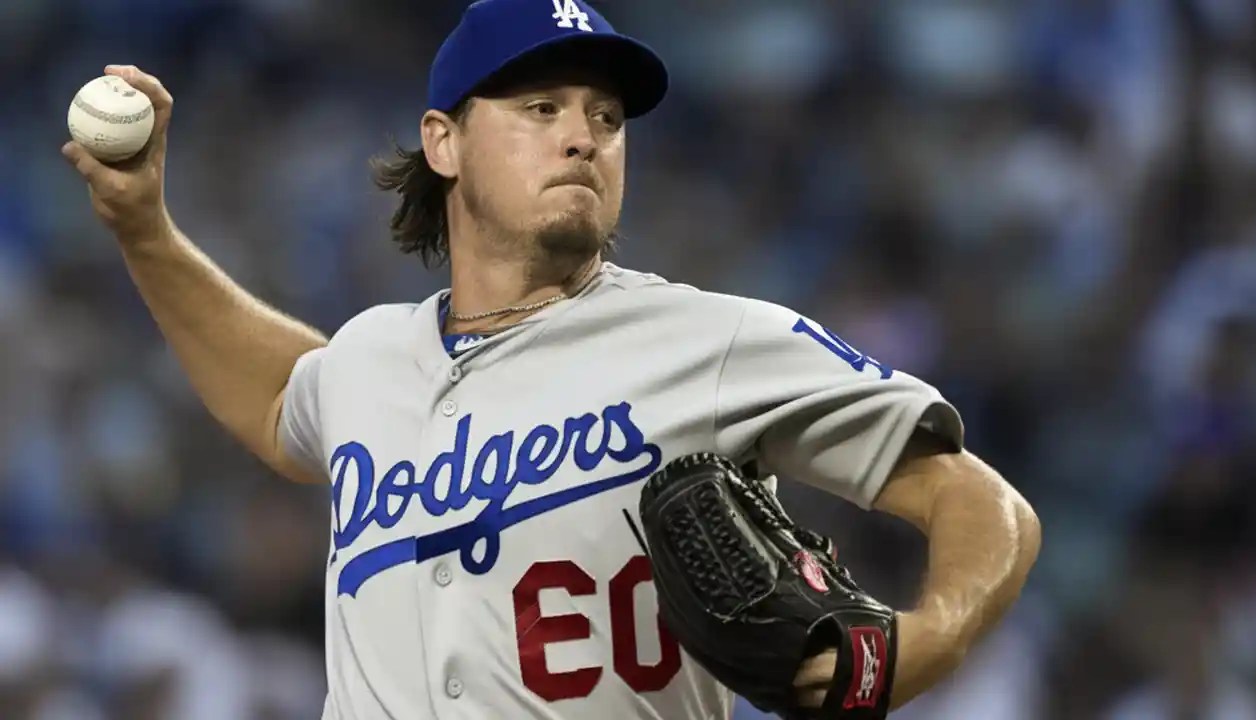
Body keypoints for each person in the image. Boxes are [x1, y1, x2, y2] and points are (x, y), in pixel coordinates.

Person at [61, 1, 1041, 718]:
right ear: (441, 142)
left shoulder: (708, 340)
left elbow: (979, 504)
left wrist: (929, 639)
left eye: (606, 120)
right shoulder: (367, 361)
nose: (583, 137)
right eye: (540, 108)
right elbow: (282, 388)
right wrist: (144, 230)